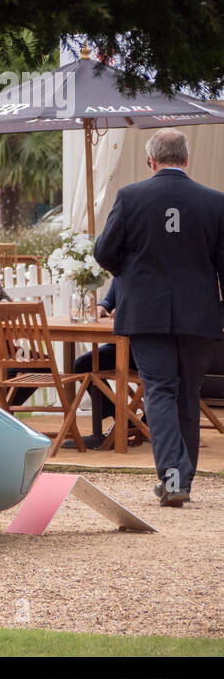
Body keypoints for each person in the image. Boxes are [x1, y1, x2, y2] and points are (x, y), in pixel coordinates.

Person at [95, 129, 224, 507]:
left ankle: (173, 478)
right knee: (187, 392)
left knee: (160, 391)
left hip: (146, 314)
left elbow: (104, 252)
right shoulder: (216, 203)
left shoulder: (130, 197)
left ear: (151, 161)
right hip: (199, 316)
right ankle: (181, 479)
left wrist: (130, 271)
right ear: (186, 160)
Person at [70, 278, 136, 447]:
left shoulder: (147, 271)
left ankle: (145, 426)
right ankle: (123, 420)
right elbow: (109, 299)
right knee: (82, 365)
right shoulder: (119, 274)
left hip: (144, 348)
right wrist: (101, 307)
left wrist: (125, 310)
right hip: (118, 344)